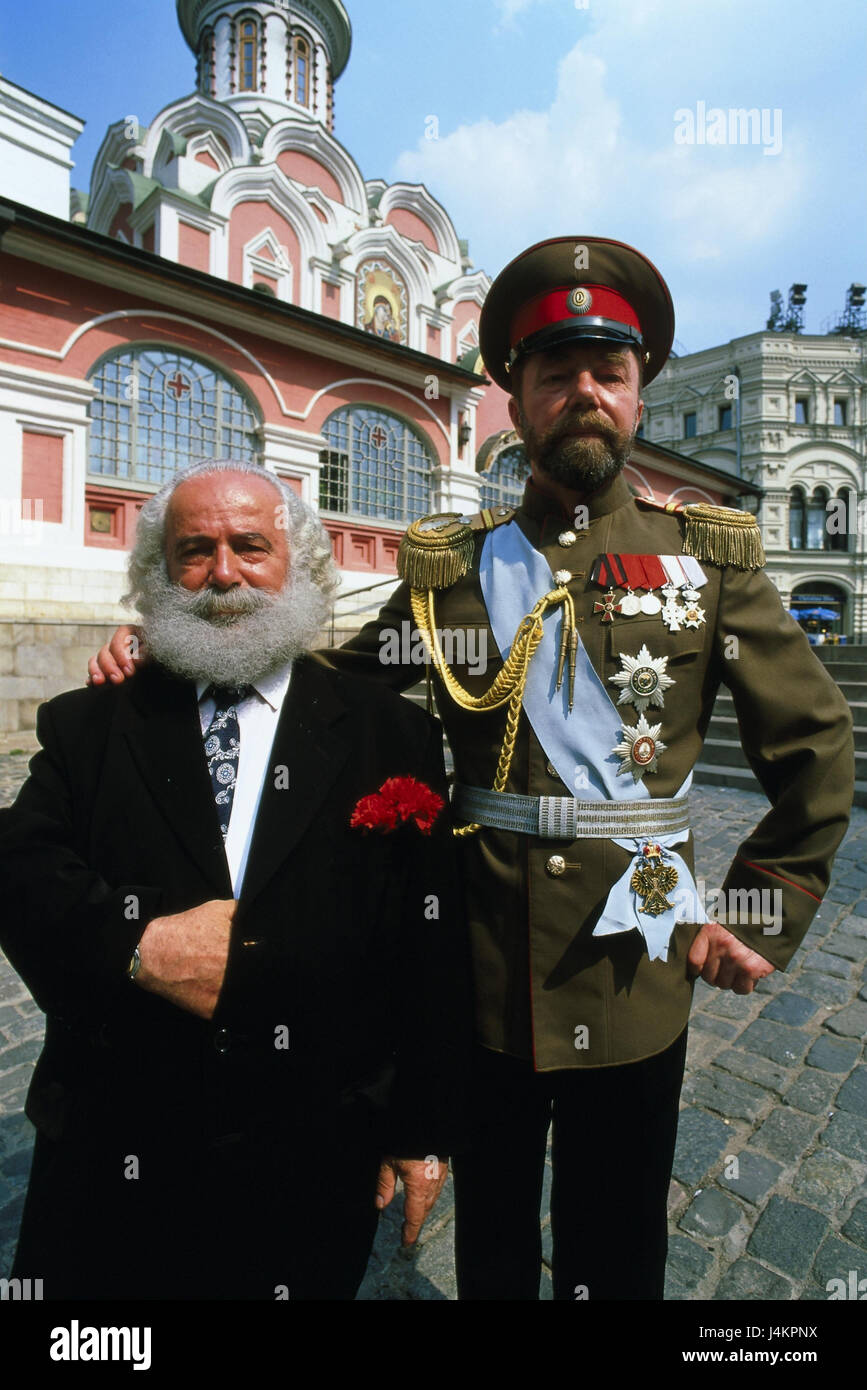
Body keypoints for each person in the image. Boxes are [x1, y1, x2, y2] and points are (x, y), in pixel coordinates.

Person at [88, 237, 855, 1302]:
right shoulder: (454, 565)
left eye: (610, 372)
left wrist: (760, 907)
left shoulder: (708, 562)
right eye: (557, 372)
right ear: (515, 393)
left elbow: (816, 747)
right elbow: (326, 691)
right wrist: (165, 658)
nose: (584, 392)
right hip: (478, 965)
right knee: (492, 1240)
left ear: (638, 394)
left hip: (635, 960)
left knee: (618, 1238)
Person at [0, 459, 470, 1301]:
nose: (223, 573)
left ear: (300, 565)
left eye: (250, 546)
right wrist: (135, 948)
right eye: (194, 550)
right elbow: (20, 871)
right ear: (158, 573)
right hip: (118, 1139)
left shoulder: (389, 732)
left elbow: (426, 942)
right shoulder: (93, 718)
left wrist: (421, 1129)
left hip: (314, 1145)